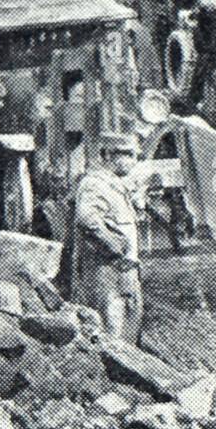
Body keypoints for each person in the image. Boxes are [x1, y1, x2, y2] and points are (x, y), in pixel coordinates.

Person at [71, 131, 143, 342]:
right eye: (126, 155)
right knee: (111, 333)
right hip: (107, 271)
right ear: (108, 156)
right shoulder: (95, 184)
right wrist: (114, 246)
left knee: (129, 330)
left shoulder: (114, 184)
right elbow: (86, 219)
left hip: (124, 271)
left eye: (133, 155)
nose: (132, 161)